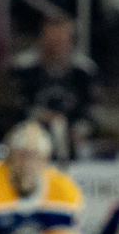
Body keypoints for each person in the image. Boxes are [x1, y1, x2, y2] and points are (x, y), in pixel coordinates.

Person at [10, 16, 98, 160]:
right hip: (32, 135)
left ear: (70, 41)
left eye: (62, 40)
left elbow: (91, 110)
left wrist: (79, 130)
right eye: (52, 40)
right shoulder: (23, 67)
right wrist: (43, 116)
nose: (57, 44)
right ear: (42, 38)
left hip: (73, 136)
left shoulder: (84, 70)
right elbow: (16, 106)